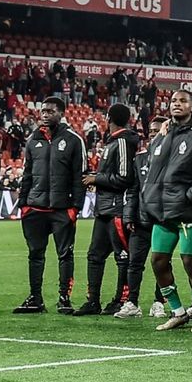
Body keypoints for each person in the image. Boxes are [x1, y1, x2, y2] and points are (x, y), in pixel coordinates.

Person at [137, 88, 192, 331]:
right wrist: (148, 201)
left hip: (188, 212)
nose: (177, 104)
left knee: (190, 260)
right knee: (158, 261)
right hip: (162, 212)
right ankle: (177, 311)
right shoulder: (161, 137)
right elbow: (150, 174)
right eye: (174, 100)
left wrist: (189, 196)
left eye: (183, 101)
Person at [13, 96, 85, 315]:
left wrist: (75, 207)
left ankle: (64, 298)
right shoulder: (33, 140)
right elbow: (27, 174)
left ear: (61, 113)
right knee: (35, 254)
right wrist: (23, 204)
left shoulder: (74, 140)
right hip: (35, 207)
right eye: (43, 111)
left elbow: (79, 176)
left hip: (62, 208)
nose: (45, 115)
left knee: (65, 255)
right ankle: (35, 298)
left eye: (50, 111)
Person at [78, 103, 139, 316]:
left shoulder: (122, 142)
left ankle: (121, 301)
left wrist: (97, 178)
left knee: (122, 256)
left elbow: (125, 177)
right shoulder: (113, 141)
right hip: (104, 208)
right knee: (94, 255)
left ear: (108, 118)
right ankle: (93, 301)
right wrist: (98, 178)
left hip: (116, 208)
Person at [115, 115, 168, 319]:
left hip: (162, 220)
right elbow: (133, 190)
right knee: (135, 263)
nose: (153, 134)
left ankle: (159, 302)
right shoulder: (139, 159)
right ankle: (132, 303)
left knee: (162, 263)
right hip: (141, 220)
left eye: (157, 130)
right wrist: (129, 216)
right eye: (151, 131)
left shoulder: (173, 157)